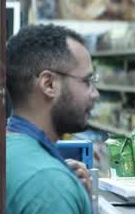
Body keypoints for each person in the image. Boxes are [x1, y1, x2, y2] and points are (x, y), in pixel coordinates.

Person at [6, 24, 100, 214]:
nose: (95, 94)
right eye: (87, 81)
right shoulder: (51, 185)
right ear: (49, 84)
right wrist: (66, 191)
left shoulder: (9, 146)